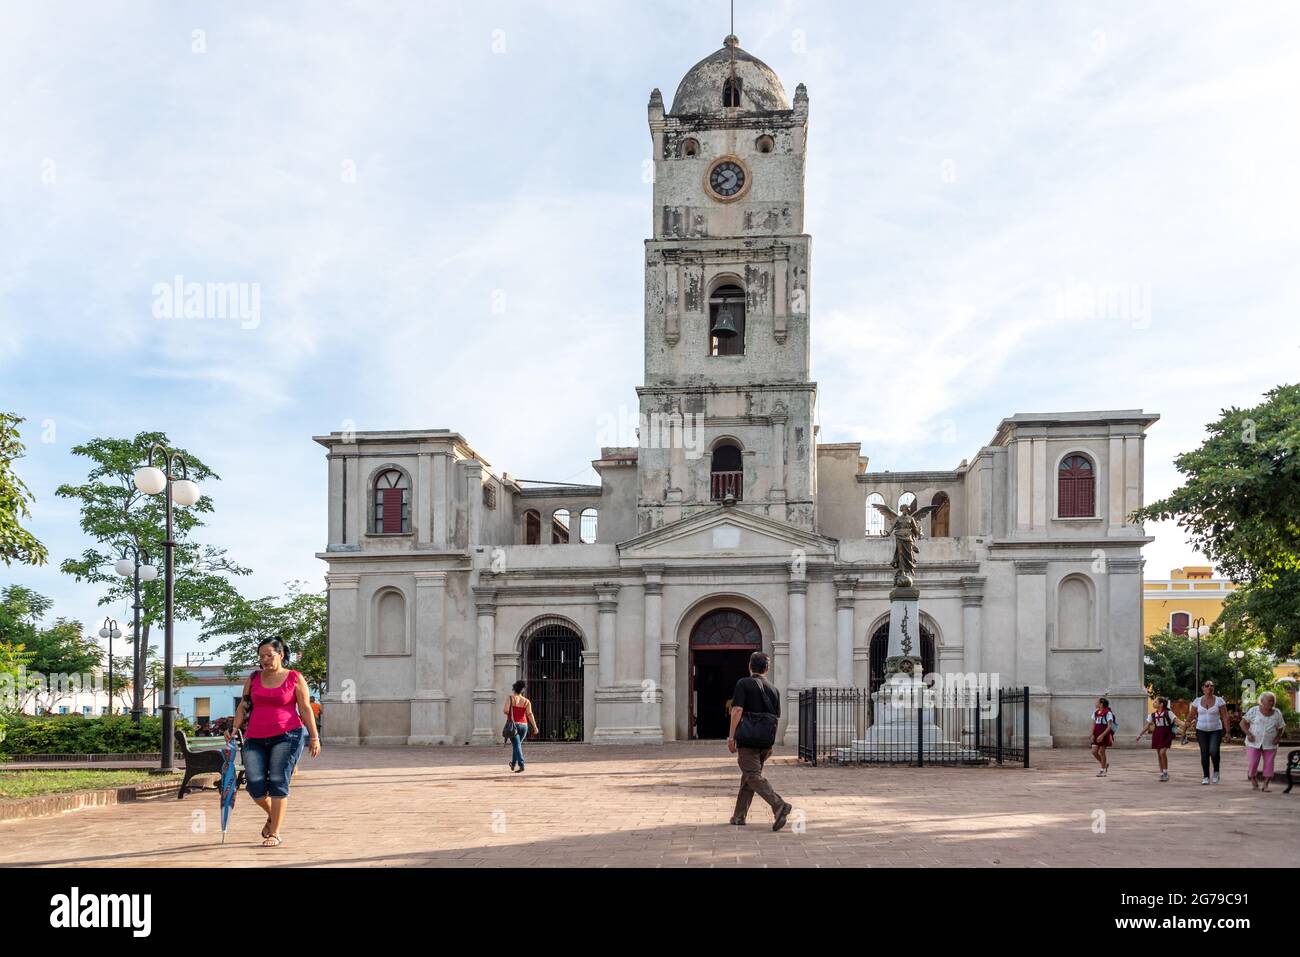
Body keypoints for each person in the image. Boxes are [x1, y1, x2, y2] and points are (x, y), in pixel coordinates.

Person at [227, 637, 321, 846]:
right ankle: (273, 814)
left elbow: (305, 709)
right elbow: (244, 705)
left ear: (281, 654)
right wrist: (234, 728)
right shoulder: (253, 678)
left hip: (287, 735)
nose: (265, 660)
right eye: (261, 656)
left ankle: (275, 833)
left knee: (278, 781)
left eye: (269, 655)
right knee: (255, 785)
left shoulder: (294, 677)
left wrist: (314, 737)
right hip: (255, 738)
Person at [727, 652, 792, 831]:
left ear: (750, 666)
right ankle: (739, 816)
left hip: (748, 739)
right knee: (749, 777)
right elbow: (775, 719)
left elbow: (737, 710)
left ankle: (778, 805)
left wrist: (731, 736)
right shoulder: (774, 690)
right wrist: (770, 744)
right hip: (764, 740)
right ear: (766, 669)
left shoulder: (743, 683)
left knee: (753, 776)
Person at [1240, 691, 1286, 792]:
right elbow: (1243, 723)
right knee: (1253, 763)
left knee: (1269, 764)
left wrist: (1278, 737)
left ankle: (1266, 784)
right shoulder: (1254, 710)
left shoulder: (1277, 713)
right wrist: (1248, 734)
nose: (1272, 703)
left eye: (1273, 701)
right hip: (1253, 742)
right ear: (1261, 701)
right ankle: (1253, 779)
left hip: (1270, 743)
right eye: (1269, 701)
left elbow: (1281, 727)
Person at [1187, 680, 1228, 784]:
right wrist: (1185, 726)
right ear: (1203, 688)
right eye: (1207, 685)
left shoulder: (1219, 701)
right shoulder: (1197, 701)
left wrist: (1228, 731)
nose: (1210, 687)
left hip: (1216, 730)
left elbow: (1225, 716)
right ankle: (1205, 776)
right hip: (1201, 730)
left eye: (1212, 686)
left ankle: (1216, 771)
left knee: (1214, 751)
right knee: (1204, 753)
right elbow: (1191, 715)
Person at [1136, 696, 1182, 781]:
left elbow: (1177, 721)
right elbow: (1147, 726)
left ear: (1161, 704)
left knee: (1162, 753)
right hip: (1157, 734)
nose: (1154, 703)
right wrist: (1140, 735)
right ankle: (1161, 772)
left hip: (1166, 734)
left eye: (1155, 702)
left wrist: (1184, 724)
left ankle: (1165, 772)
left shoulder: (1168, 713)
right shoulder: (1152, 715)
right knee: (1159, 754)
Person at [503, 680, 539, 773]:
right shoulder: (526, 701)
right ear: (522, 690)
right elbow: (529, 714)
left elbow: (506, 710)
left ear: (514, 688)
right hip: (524, 725)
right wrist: (535, 727)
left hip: (513, 725)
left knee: (517, 745)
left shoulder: (511, 698)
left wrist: (511, 711)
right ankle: (513, 764)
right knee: (517, 745)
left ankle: (521, 764)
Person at [1089, 697, 1117, 776]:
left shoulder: (1108, 713)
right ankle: (1104, 764)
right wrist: (1092, 734)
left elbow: (1109, 726)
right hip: (1096, 734)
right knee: (1094, 752)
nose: (1095, 703)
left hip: (1104, 734)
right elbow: (1094, 724)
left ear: (1101, 704)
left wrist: (1102, 735)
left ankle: (1103, 770)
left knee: (1101, 752)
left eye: (1097, 702)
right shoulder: (1095, 713)